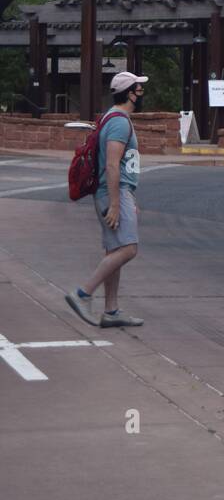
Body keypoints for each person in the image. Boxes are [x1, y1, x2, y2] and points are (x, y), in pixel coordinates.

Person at [65, 71, 147, 329]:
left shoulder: (115, 118)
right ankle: (82, 294)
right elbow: (112, 165)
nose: (142, 93)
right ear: (130, 93)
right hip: (113, 191)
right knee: (128, 249)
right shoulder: (119, 122)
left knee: (115, 249)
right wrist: (115, 202)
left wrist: (126, 197)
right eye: (139, 89)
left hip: (119, 191)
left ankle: (111, 310)